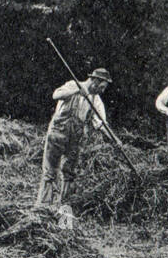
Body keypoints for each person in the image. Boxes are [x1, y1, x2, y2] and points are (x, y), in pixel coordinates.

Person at [37, 67, 113, 206]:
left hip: (74, 139)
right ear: (95, 81)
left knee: (69, 173)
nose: (102, 90)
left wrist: (114, 139)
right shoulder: (73, 84)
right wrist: (78, 90)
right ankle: (44, 206)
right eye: (102, 87)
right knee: (50, 172)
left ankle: (64, 206)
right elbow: (56, 94)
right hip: (57, 134)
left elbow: (101, 123)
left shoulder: (95, 100)